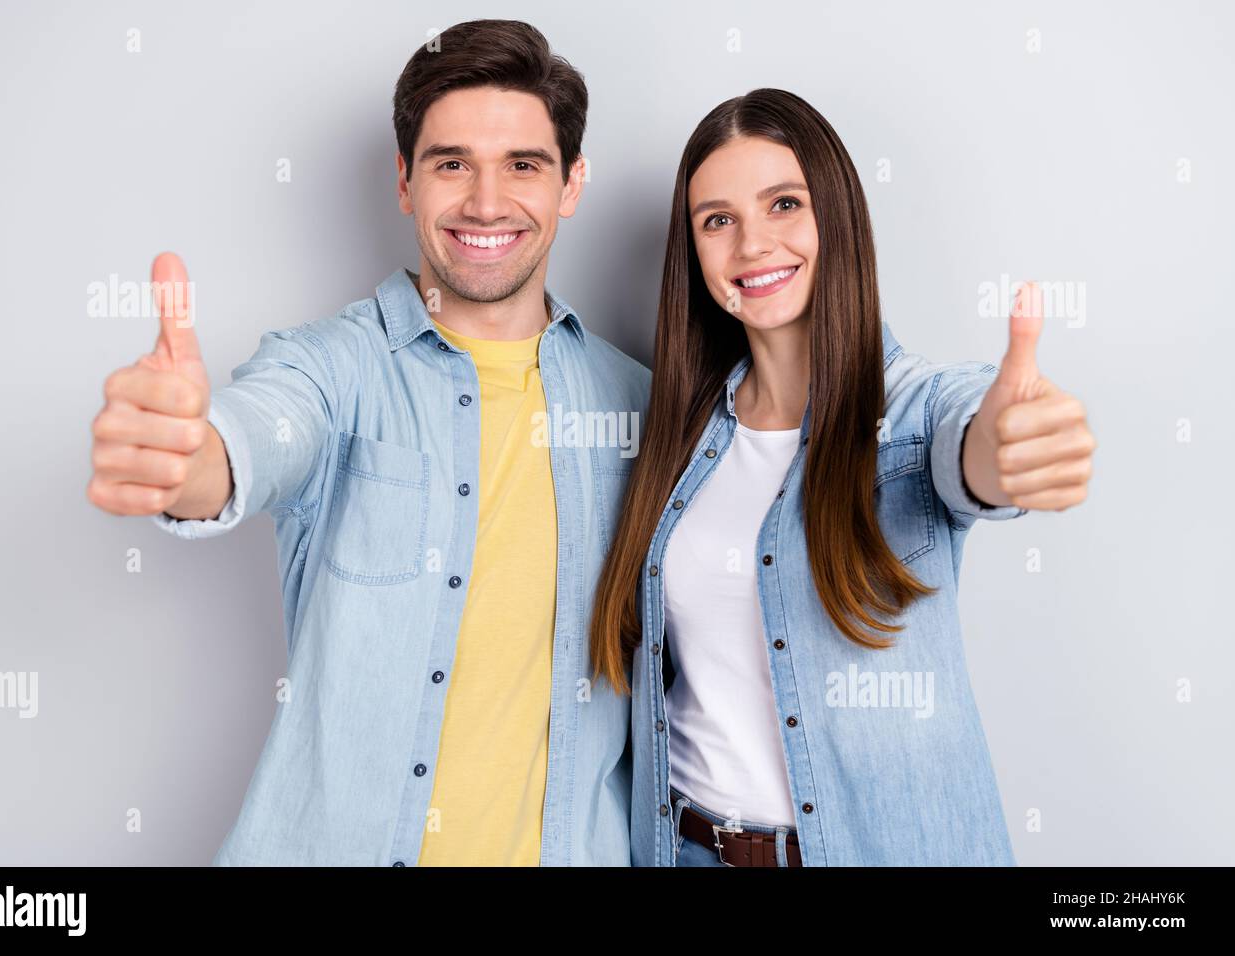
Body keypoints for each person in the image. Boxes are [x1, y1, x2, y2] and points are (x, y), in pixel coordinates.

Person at [87, 19, 649, 866]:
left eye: (523, 165)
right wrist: (187, 456)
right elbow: (256, 435)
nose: (486, 202)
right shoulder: (328, 367)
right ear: (404, 181)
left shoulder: (638, 405)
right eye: (451, 163)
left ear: (571, 184)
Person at [590, 88, 1095, 867]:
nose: (753, 245)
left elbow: (974, 452)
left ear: (837, 216)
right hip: (685, 848)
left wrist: (1010, 450)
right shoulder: (679, 435)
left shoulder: (917, 409)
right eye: (717, 220)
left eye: (784, 204)